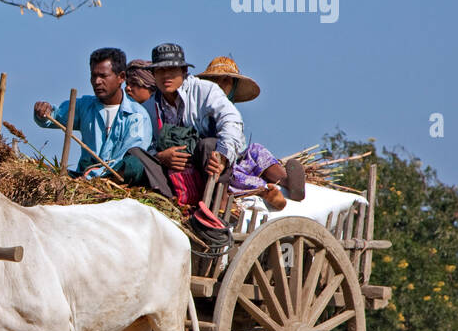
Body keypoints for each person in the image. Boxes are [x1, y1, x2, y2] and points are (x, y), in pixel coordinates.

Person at [124, 42, 245, 205]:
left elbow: (231, 120)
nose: (166, 76)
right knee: (135, 152)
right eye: (160, 70)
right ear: (153, 74)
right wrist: (161, 157)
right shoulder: (148, 108)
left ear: (184, 71)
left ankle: (216, 205)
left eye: (172, 70)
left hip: (206, 167)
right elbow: (146, 143)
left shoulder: (205, 90)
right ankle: (168, 203)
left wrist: (222, 158)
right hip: (171, 174)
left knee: (208, 145)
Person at [197, 56, 305, 211]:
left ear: (233, 86)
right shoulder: (201, 111)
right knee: (237, 177)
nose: (220, 85)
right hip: (223, 164)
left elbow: (239, 145)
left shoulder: (231, 112)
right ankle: (266, 191)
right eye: (215, 80)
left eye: (225, 81)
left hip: (241, 158)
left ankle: (287, 181)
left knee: (257, 149)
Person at [33, 47, 152, 180]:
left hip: (114, 178)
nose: (97, 82)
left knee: (135, 164)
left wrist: (98, 177)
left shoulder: (137, 115)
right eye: (93, 75)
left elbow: (133, 154)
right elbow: (53, 117)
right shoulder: (84, 105)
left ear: (121, 77)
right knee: (40, 168)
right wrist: (43, 111)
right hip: (84, 175)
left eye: (103, 76)